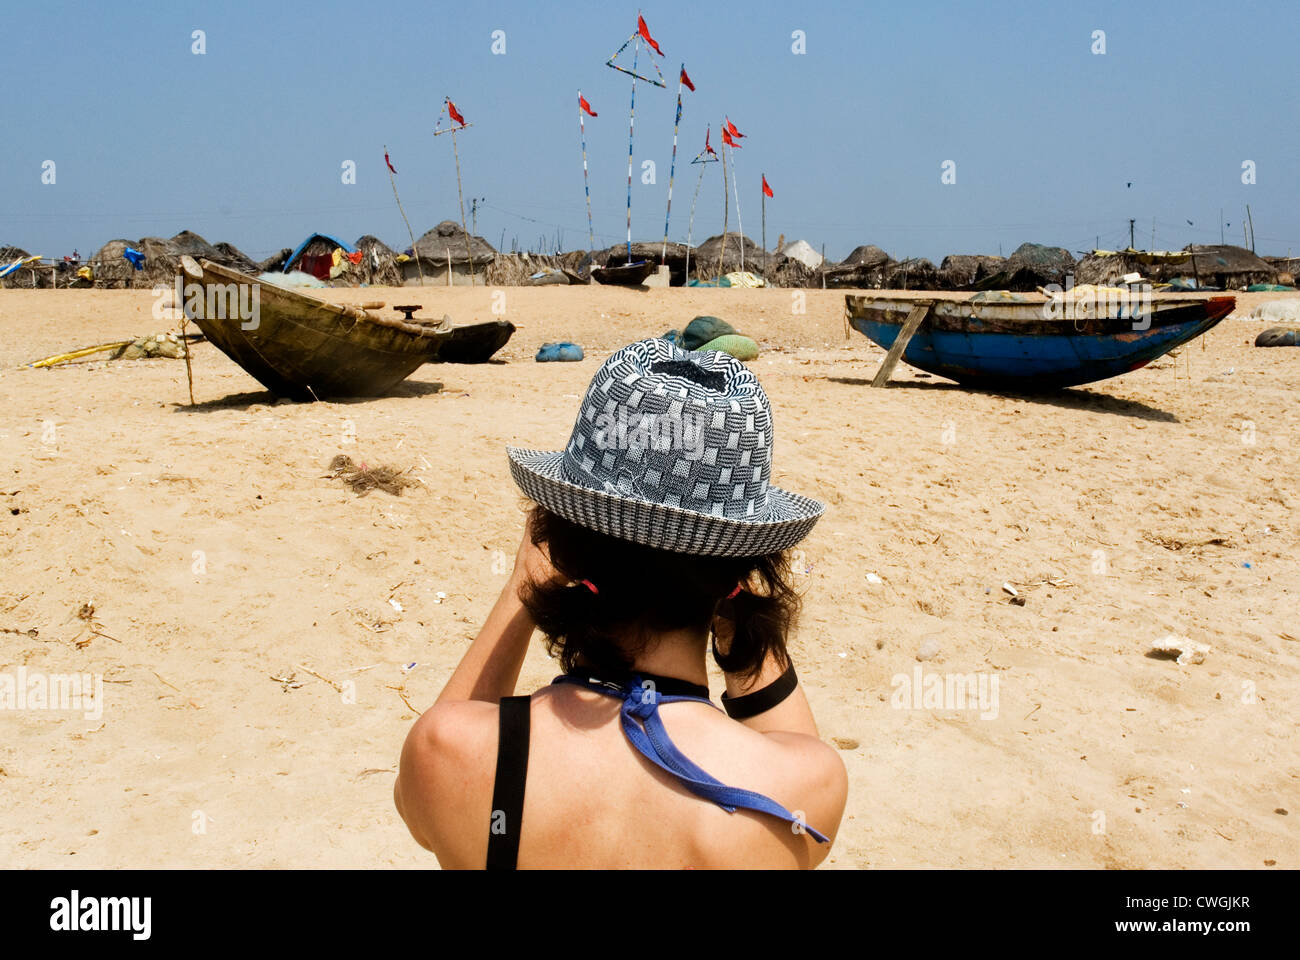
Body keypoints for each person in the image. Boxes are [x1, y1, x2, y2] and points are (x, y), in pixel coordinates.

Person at [395, 339, 847, 868]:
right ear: (742, 572)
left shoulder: (446, 753)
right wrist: (738, 607)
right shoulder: (802, 789)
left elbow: (419, 792)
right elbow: (789, 744)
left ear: (560, 545)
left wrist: (524, 587)